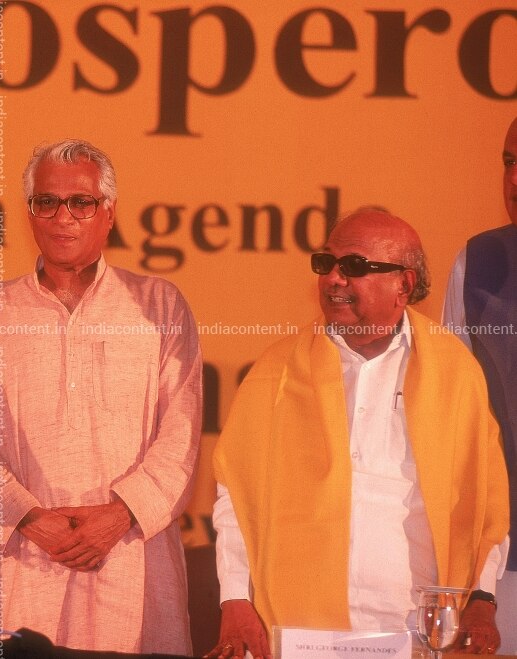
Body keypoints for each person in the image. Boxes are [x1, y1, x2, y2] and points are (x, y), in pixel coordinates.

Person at [210, 208, 509, 658]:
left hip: (415, 628)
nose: (333, 279)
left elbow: (487, 502)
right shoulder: (278, 370)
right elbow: (235, 494)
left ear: (404, 285)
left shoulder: (455, 372)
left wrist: (483, 602)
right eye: (325, 264)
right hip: (300, 628)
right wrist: (234, 598)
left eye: (353, 267)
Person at [0, 139, 203, 654]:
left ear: (108, 213)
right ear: (30, 214)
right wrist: (30, 519)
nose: (63, 217)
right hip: (27, 562)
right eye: (48, 202)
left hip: (133, 563)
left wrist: (118, 516)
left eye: (81, 203)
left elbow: (181, 439)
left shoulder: (159, 305)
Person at [443, 115, 517, 655]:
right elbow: (451, 421)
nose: (514, 180)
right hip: (499, 566)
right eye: (510, 163)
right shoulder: (479, 265)